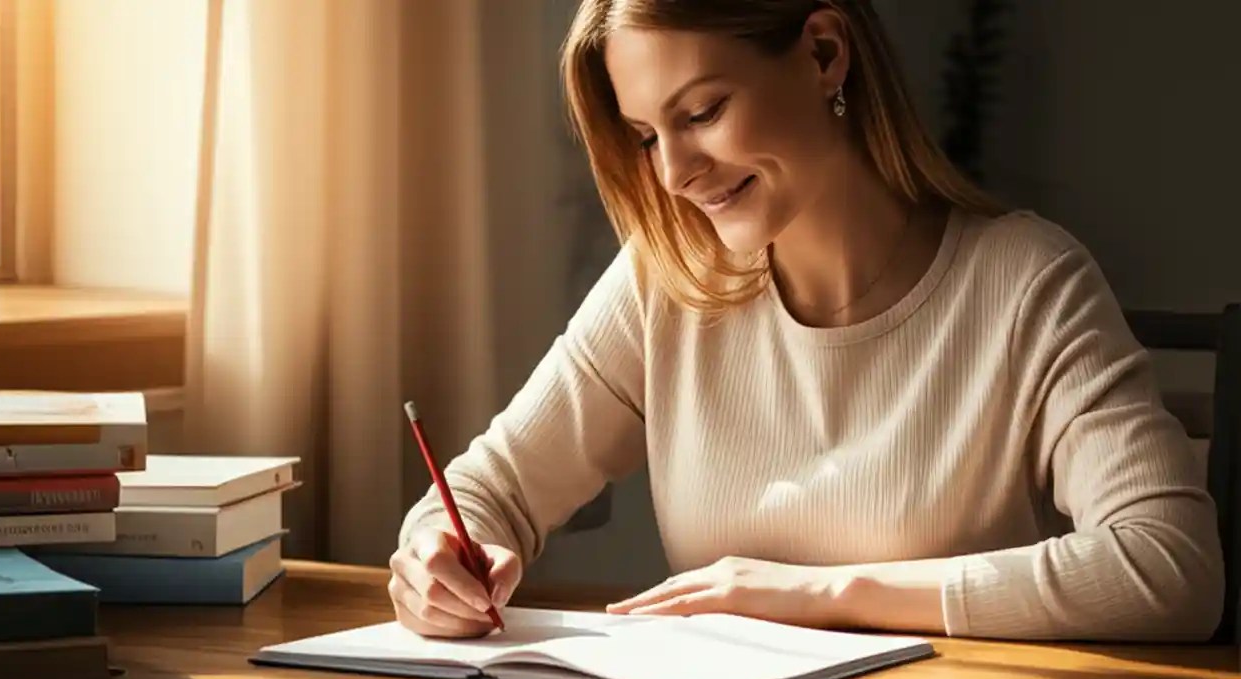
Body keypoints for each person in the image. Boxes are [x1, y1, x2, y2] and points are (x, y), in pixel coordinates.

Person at [389, 0, 1225, 642]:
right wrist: (435, 556)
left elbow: (1170, 566)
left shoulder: (1026, 285)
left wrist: (824, 594)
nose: (675, 173)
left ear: (825, 53)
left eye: (703, 112)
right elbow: (484, 493)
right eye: (647, 136)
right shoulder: (667, 279)